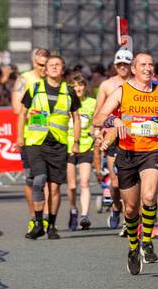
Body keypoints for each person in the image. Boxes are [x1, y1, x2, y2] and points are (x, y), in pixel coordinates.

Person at [92, 52, 158, 275]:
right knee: (130, 208)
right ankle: (133, 247)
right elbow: (97, 118)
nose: (147, 68)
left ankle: (146, 241)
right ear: (134, 69)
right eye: (143, 65)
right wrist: (114, 119)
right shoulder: (122, 91)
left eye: (150, 64)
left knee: (149, 197)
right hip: (127, 153)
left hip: (152, 151)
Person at [21, 54, 82, 241]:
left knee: (54, 188)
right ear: (45, 70)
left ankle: (52, 226)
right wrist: (18, 138)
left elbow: (76, 118)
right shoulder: (34, 88)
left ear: (63, 70)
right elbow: (22, 114)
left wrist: (76, 142)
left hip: (58, 143)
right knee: (39, 180)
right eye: (51, 65)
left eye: (58, 65)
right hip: (36, 142)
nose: (54, 68)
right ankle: (39, 222)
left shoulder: (69, 91)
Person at [95, 49, 134, 233]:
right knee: (116, 183)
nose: (123, 67)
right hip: (112, 138)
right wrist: (97, 132)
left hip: (133, 138)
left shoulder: (138, 84)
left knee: (131, 182)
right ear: (115, 65)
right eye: (119, 64)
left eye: (126, 64)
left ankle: (129, 220)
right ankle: (117, 207)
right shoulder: (107, 85)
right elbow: (98, 112)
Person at [13, 48, 50, 235]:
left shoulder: (55, 80)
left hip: (52, 137)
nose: (43, 69)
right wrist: (34, 114)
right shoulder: (25, 79)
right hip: (31, 136)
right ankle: (33, 218)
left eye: (46, 64)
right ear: (34, 62)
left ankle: (47, 218)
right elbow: (15, 107)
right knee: (32, 179)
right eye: (40, 65)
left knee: (49, 179)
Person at [66, 74, 97, 232]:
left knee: (84, 182)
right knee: (72, 186)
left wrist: (95, 131)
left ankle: (84, 215)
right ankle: (73, 210)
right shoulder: (65, 102)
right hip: (68, 147)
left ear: (85, 87)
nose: (77, 88)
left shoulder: (92, 103)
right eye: (74, 86)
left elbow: (96, 123)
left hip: (86, 146)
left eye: (80, 85)